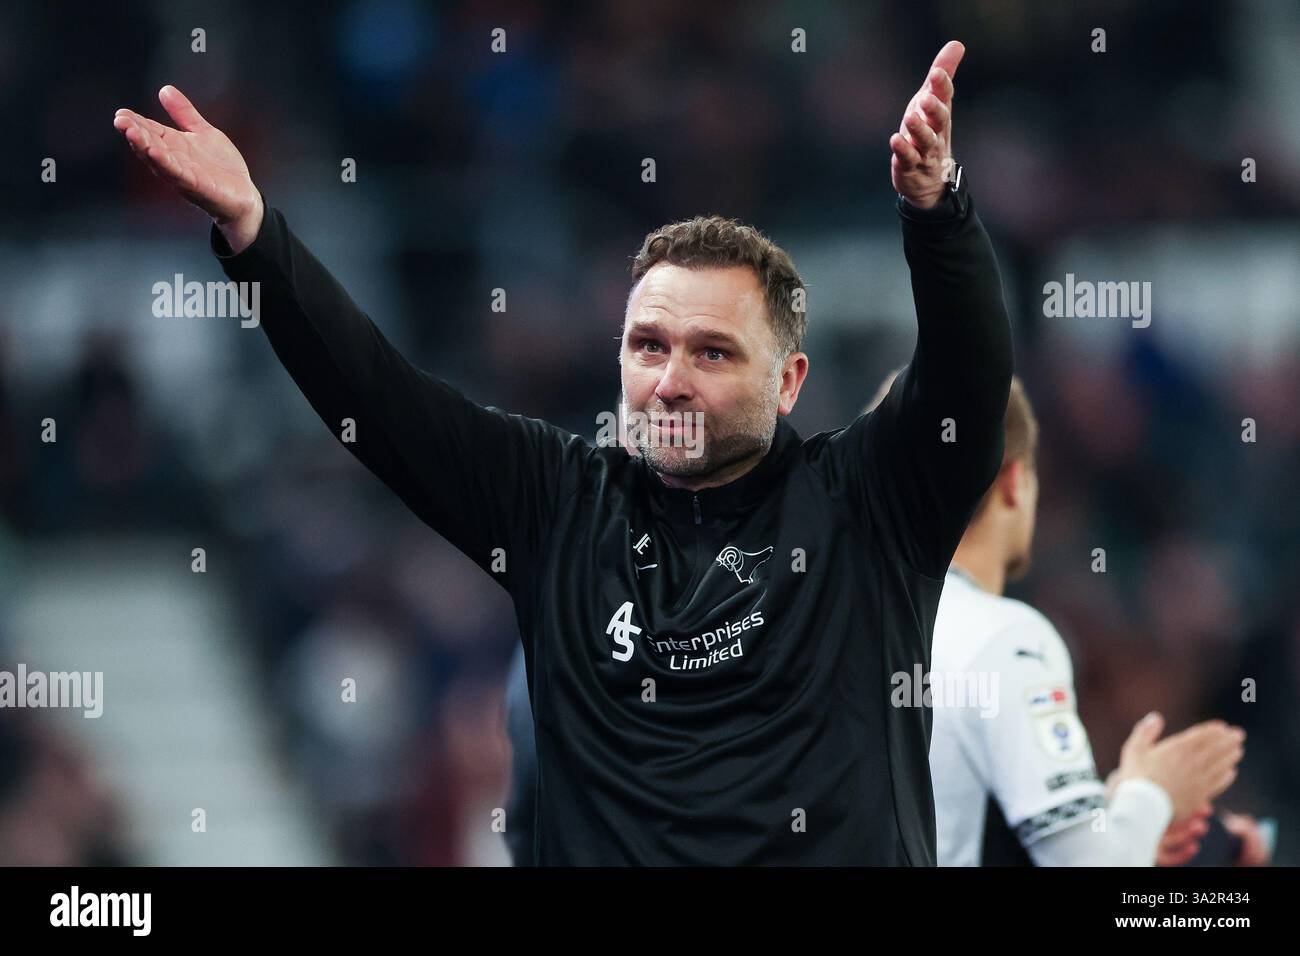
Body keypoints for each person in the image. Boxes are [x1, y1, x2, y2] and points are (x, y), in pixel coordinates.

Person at [114, 40, 1013, 865]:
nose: (669, 381)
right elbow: (378, 397)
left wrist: (937, 215)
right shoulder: (558, 502)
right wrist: (255, 234)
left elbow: (968, 383)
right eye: (648, 346)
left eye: (712, 352)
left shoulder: (868, 504)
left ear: (788, 383)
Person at [864, 372, 1248, 865]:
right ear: (1014, 483)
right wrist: (1153, 794)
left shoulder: (823, 622)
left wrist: (1113, 819)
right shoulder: (1005, 637)